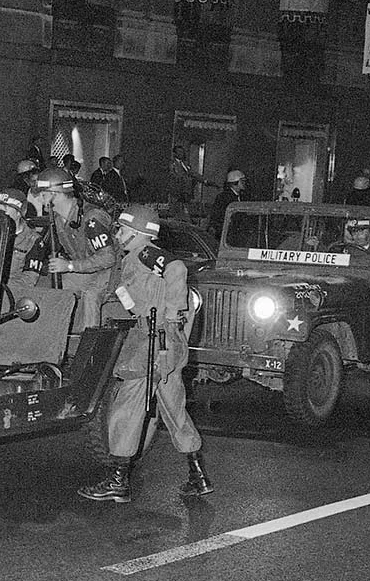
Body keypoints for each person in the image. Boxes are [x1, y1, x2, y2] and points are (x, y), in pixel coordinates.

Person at [79, 204, 209, 503]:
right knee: (174, 409)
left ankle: (118, 481)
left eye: (122, 230)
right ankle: (198, 475)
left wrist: (173, 314)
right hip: (163, 341)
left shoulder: (146, 253)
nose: (117, 234)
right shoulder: (132, 258)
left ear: (137, 233)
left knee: (126, 408)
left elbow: (177, 269)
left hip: (153, 340)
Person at [34, 167, 117, 327]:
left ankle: (89, 340)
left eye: (43, 195)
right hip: (86, 270)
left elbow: (108, 258)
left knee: (91, 295)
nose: (40, 200)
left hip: (109, 272)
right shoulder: (58, 219)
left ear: (56, 194)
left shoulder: (91, 217)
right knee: (47, 287)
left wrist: (69, 266)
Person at [207, 169, 246, 238]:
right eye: (242, 181)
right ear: (235, 183)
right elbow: (217, 217)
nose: (244, 183)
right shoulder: (223, 197)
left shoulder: (242, 196)